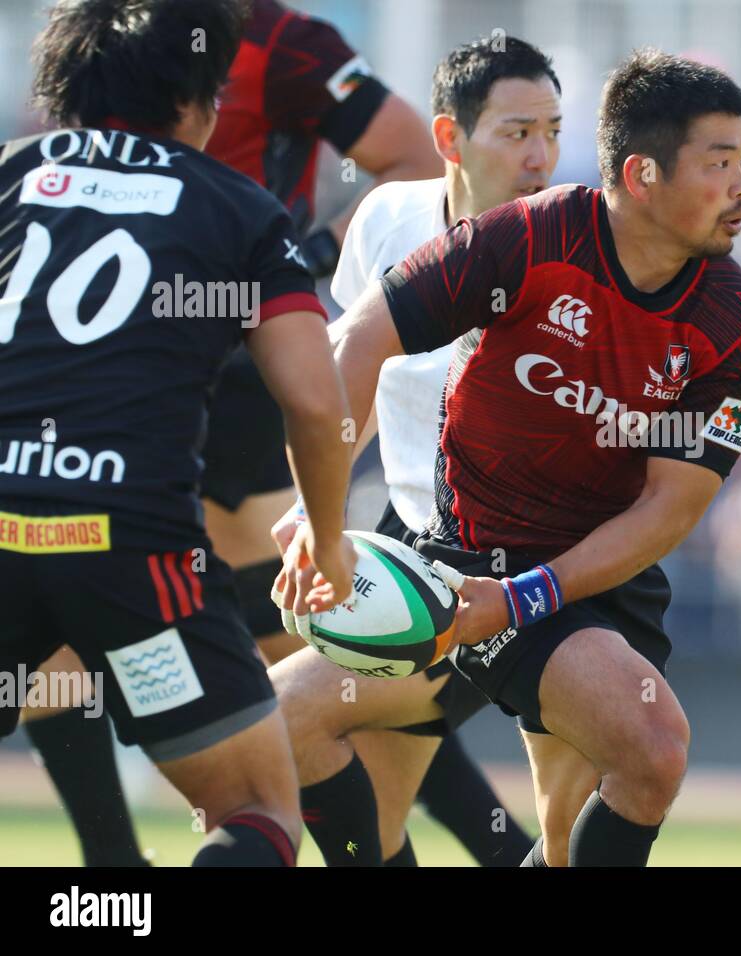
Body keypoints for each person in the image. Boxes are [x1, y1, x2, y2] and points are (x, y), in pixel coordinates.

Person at [278, 48, 741, 866]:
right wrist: (319, 524)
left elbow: (670, 508)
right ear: (643, 174)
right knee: (280, 729)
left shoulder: (736, 323)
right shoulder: (524, 238)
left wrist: (527, 596)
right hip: (462, 560)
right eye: (721, 165)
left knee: (623, 781)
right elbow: (354, 348)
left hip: (594, 581)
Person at [20, 0, 439, 867]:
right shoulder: (237, 207)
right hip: (130, 547)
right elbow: (317, 404)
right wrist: (327, 542)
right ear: (196, 99)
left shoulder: (9, 177)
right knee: (256, 807)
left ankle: (106, 892)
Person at [272, 35, 562, 867]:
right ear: (448, 139)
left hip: (513, 569)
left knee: (285, 720)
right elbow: (355, 387)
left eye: (553, 129)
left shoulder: (579, 251)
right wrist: (308, 508)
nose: (541, 154)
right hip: (414, 546)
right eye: (517, 132)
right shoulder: (388, 218)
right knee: (379, 819)